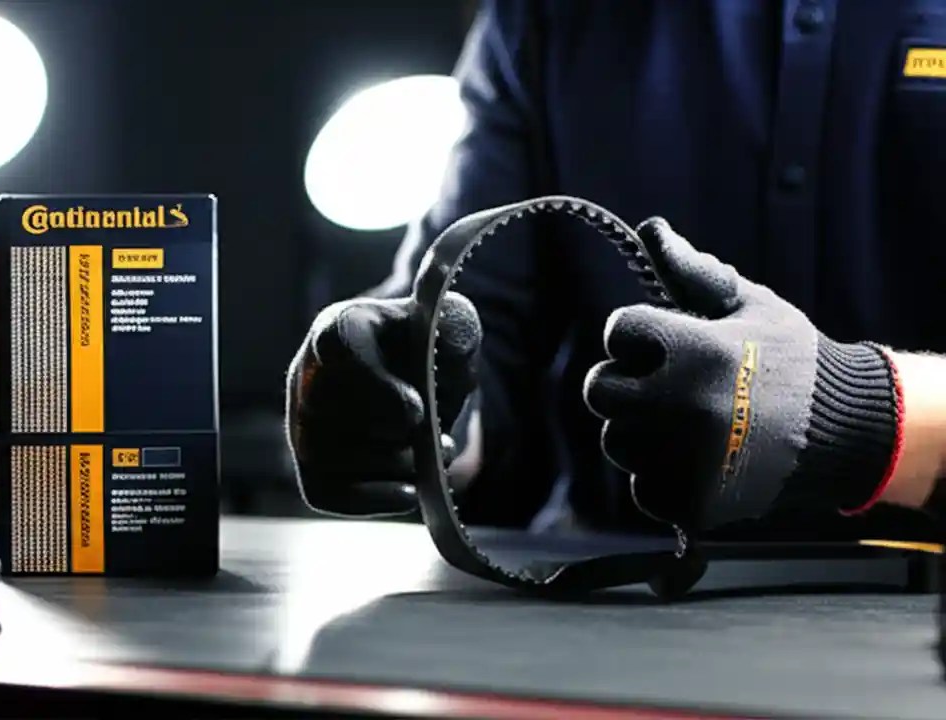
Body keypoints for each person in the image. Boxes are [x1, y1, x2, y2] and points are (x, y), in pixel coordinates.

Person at [285, 0, 946, 536]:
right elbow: (476, 343)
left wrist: (859, 415)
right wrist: (401, 409)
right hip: (606, 612)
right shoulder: (548, 18)